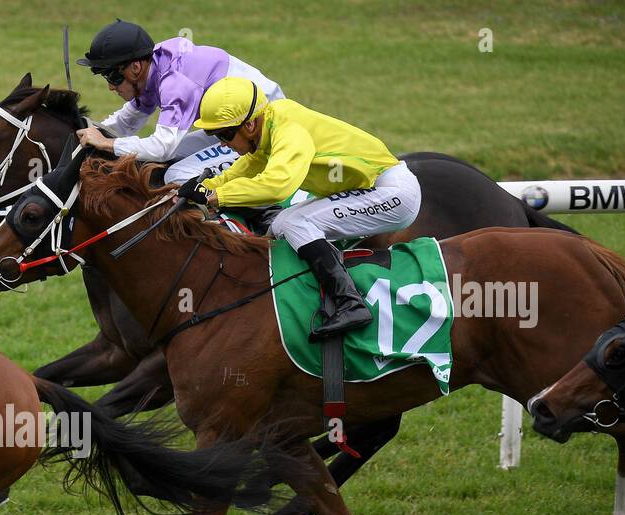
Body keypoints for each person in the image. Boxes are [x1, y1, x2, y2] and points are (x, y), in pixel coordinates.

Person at [182, 78, 421, 340]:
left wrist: (216, 197)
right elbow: (246, 168)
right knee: (281, 224)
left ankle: (350, 304)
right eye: (215, 135)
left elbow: (277, 186)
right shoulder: (266, 127)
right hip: (373, 188)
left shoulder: (289, 130)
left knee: (295, 224)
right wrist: (202, 187)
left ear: (249, 124)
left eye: (225, 134)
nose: (223, 144)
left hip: (393, 193)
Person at [73, 19, 283, 185]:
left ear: (135, 68)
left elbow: (162, 146)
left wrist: (106, 143)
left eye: (113, 77)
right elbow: (125, 124)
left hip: (260, 133)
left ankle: (238, 230)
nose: (111, 87)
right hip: (230, 130)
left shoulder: (176, 81)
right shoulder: (152, 67)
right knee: (152, 164)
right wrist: (81, 129)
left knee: (178, 175)